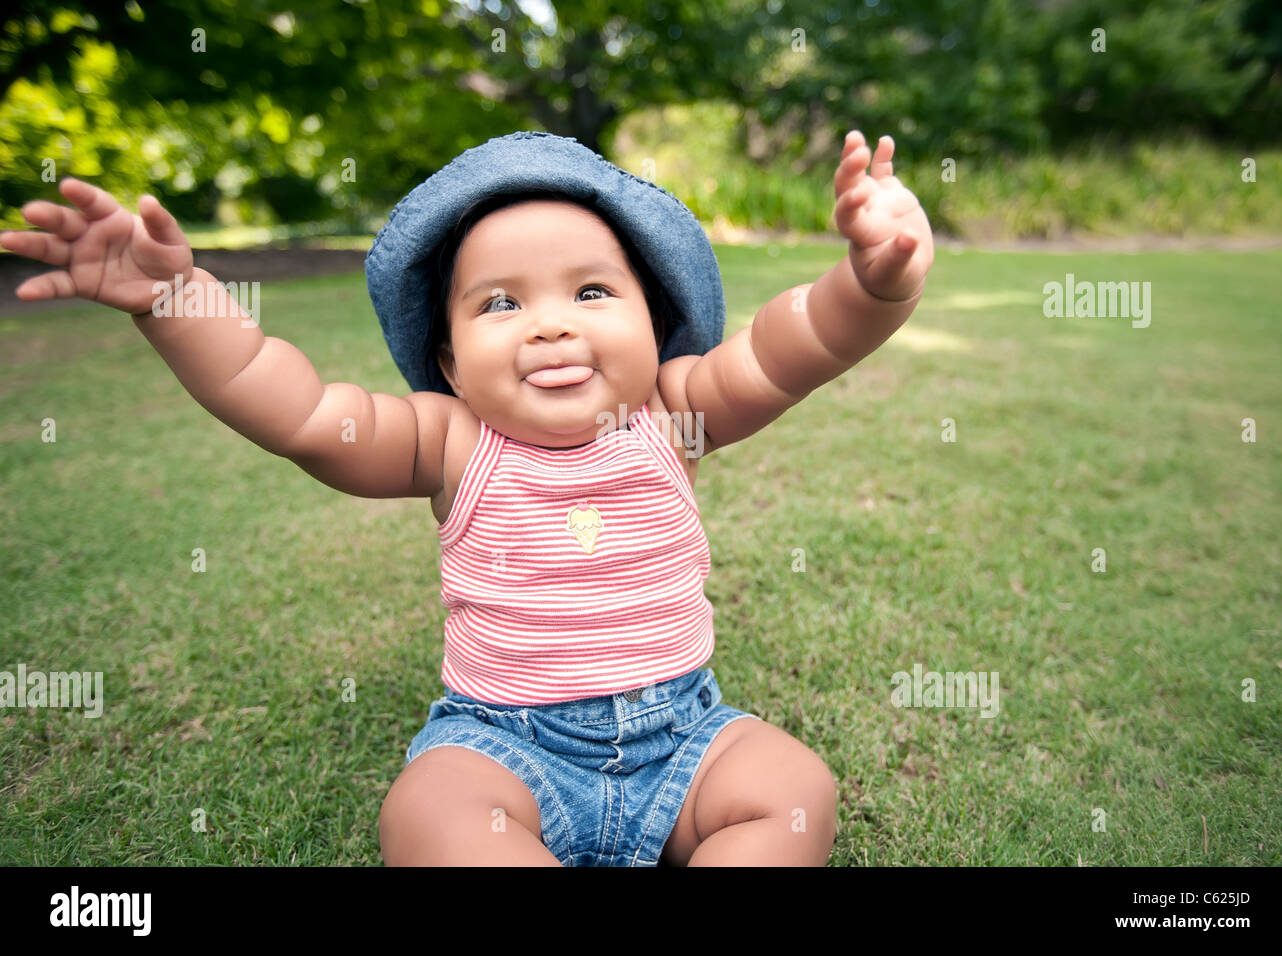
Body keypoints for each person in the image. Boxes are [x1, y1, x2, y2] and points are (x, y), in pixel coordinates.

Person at [0, 128, 933, 866]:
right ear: (446, 360)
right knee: (428, 815)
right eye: (499, 304)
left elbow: (793, 344)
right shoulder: (449, 441)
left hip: (686, 741)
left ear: (657, 325)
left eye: (594, 290)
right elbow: (297, 412)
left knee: (794, 791)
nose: (551, 326)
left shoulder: (678, 411)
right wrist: (177, 302)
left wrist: (871, 281)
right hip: (507, 751)